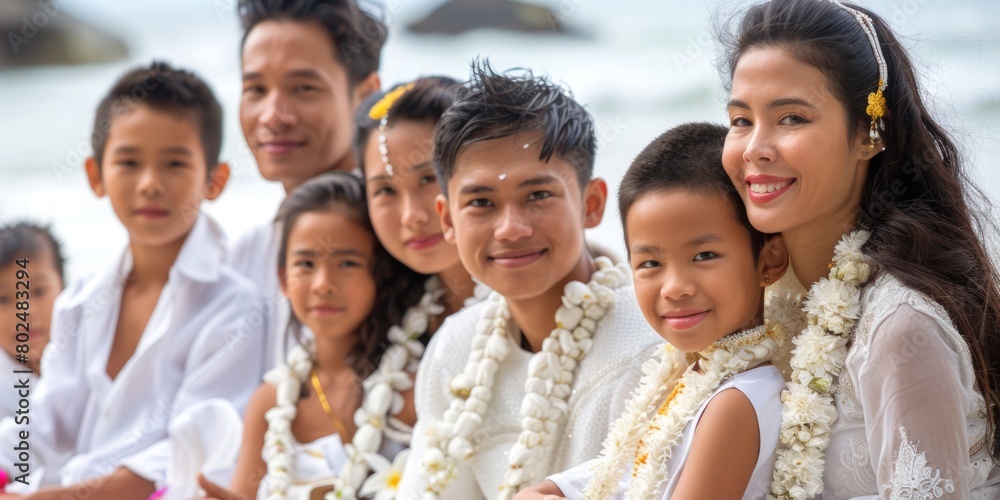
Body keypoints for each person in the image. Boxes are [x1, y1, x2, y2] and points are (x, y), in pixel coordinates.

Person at [720, 0, 1000, 497]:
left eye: (790, 118)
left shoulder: (899, 330)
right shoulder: (760, 297)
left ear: (872, 133)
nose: (754, 149)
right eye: (741, 120)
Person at [0, 61, 267, 498]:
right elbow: (43, 428)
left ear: (215, 180)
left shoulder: (236, 308)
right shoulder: (80, 301)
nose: (149, 183)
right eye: (128, 161)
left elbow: (183, 462)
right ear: (95, 175)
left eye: (174, 163)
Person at [396, 61, 662, 500]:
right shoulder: (454, 349)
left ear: (591, 203)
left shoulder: (652, 339)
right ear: (447, 220)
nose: (510, 229)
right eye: (481, 202)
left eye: (538, 195)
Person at [517, 122, 790, 499]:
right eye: (650, 263)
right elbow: (637, 472)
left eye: (704, 256)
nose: (675, 287)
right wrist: (556, 489)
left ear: (768, 260)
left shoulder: (737, 401)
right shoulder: (693, 371)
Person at [199, 173, 426, 500]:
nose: (322, 283)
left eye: (347, 263)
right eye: (305, 264)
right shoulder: (270, 402)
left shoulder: (409, 390)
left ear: (382, 272)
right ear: (283, 278)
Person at [229, 0, 386, 368]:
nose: (273, 116)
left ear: (366, 94)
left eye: (303, 88)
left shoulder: (403, 239)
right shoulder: (244, 256)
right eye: (256, 90)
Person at [0, 222, 65, 414]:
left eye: (37, 291)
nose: (24, 312)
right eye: (3, 298)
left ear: (64, 288)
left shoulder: (93, 357)